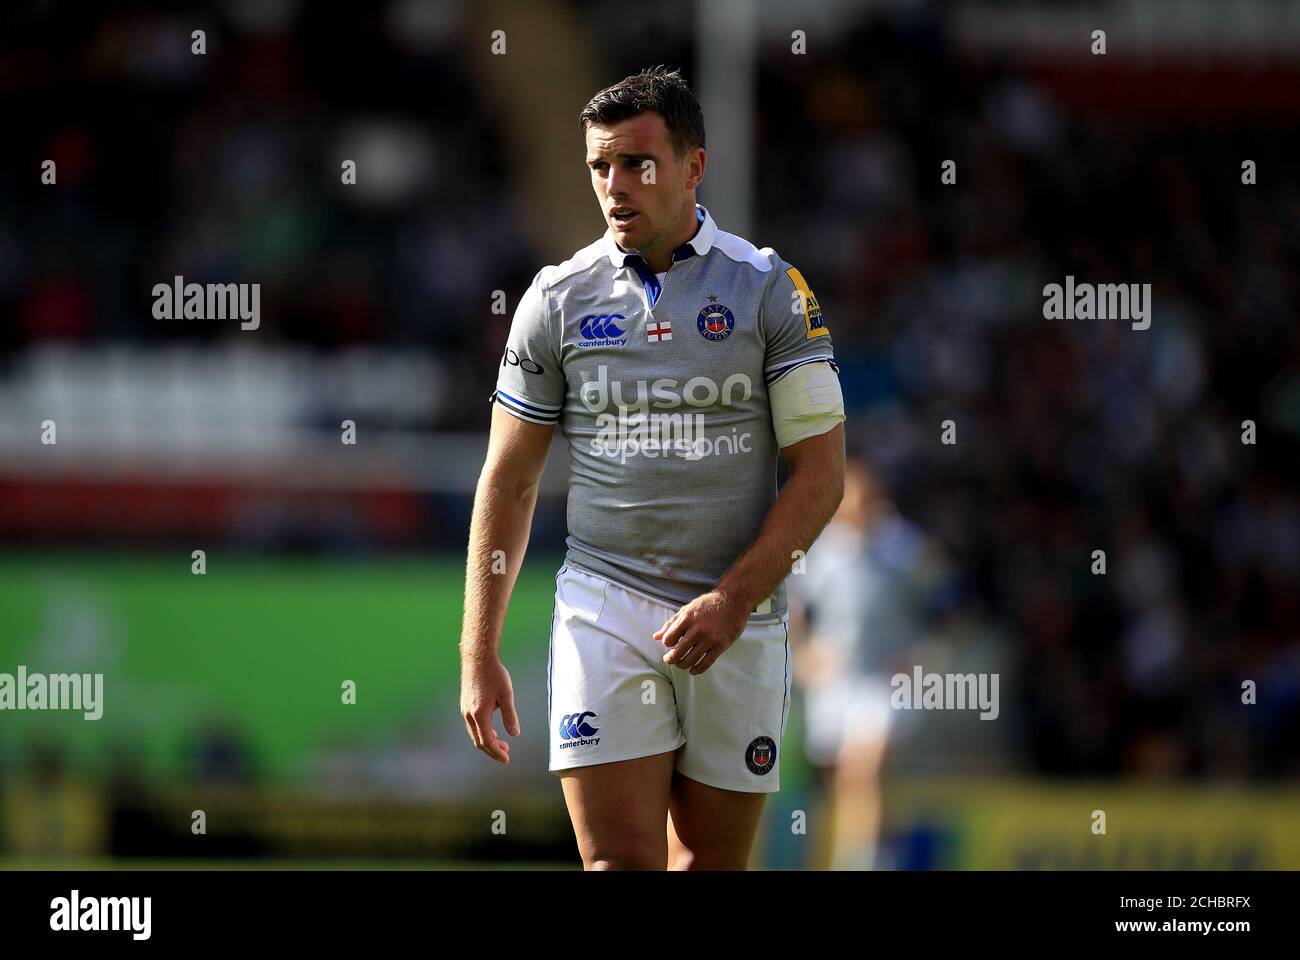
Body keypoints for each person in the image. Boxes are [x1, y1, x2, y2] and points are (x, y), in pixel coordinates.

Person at [459, 66, 846, 870]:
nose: (615, 185)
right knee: (617, 864)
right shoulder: (555, 300)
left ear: (693, 167)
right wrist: (479, 647)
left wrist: (735, 599)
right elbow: (508, 479)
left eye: (638, 163)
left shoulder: (773, 289)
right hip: (603, 603)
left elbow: (822, 475)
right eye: (600, 165)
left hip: (737, 614)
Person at [790, 457, 945, 869]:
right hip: (836, 682)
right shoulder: (823, 548)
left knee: (867, 768)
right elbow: (796, 607)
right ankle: (877, 856)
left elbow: (940, 607)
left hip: (886, 678)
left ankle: (858, 864)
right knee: (848, 783)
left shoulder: (904, 547)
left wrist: (921, 657)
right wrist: (805, 653)